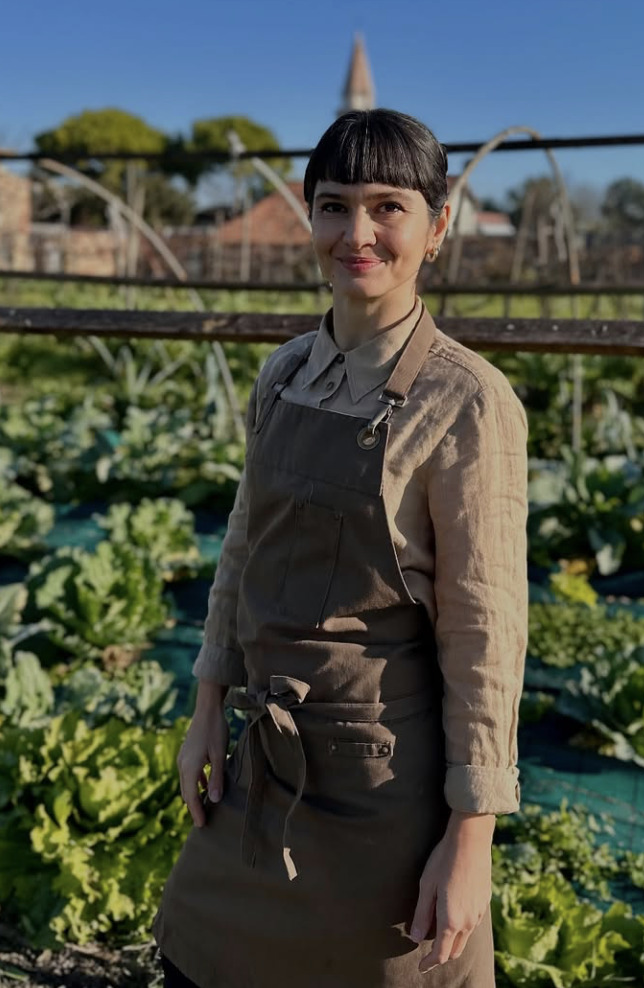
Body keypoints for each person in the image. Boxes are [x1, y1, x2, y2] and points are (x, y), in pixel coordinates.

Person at [153, 108, 529, 988]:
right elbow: (243, 547)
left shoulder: (468, 403)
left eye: (387, 207)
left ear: (437, 227)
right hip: (266, 760)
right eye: (333, 205)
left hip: (383, 791)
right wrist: (208, 704)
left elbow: (487, 633)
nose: (356, 233)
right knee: (195, 959)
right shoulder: (283, 373)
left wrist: (471, 838)